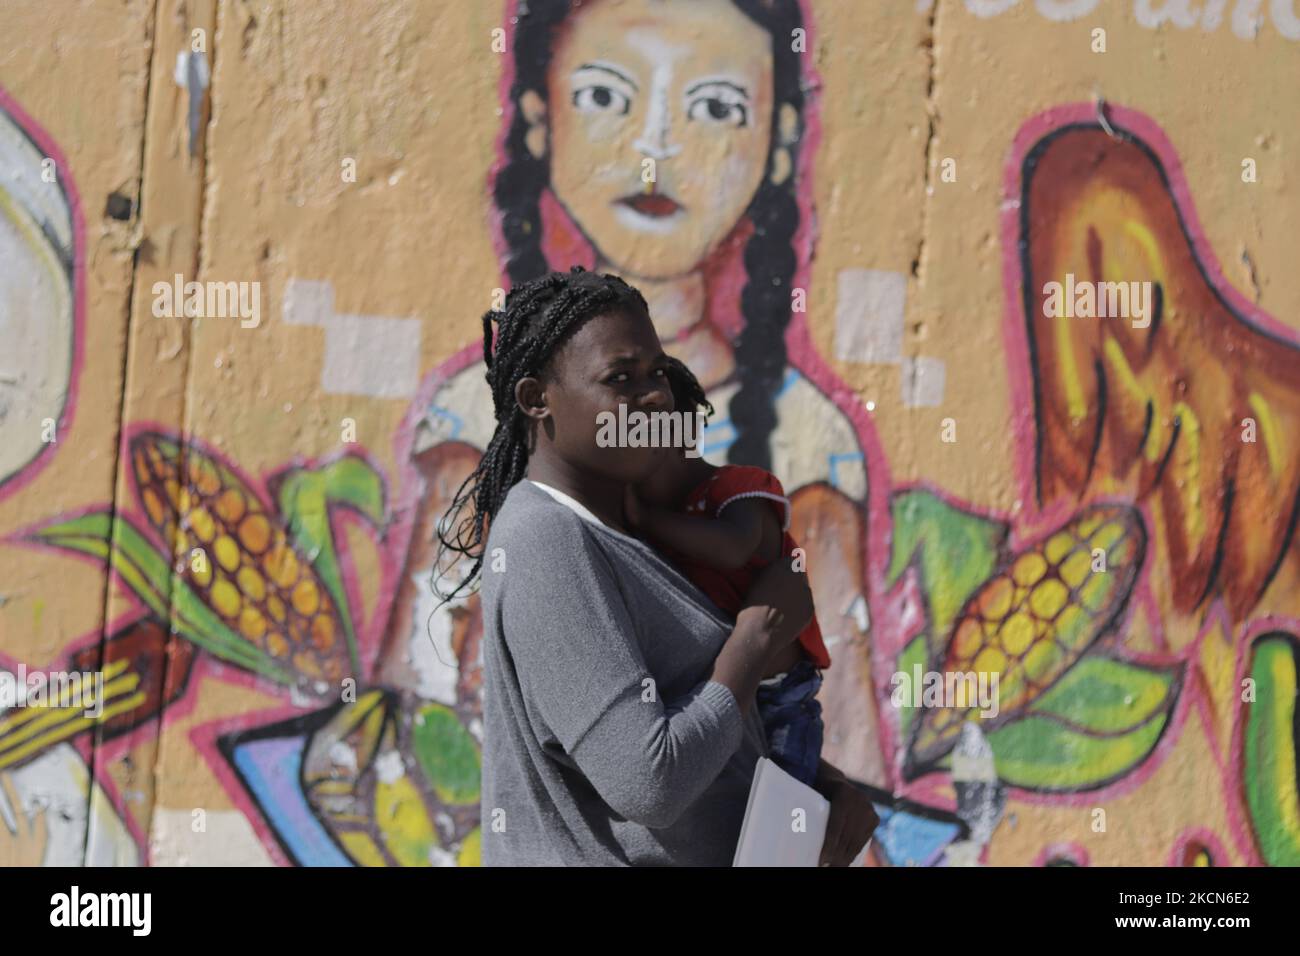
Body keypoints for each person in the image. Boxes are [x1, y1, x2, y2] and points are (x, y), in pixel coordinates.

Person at [434, 266, 877, 865]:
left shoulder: (624, 529)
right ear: (537, 399)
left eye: (657, 374)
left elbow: (694, 719)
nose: (653, 398)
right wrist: (755, 639)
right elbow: (650, 780)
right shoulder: (546, 540)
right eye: (621, 378)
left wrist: (824, 785)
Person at [625, 357, 829, 789]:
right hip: (726, 694)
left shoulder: (734, 488)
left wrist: (646, 520)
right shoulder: (670, 516)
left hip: (780, 693)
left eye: (642, 468)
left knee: (782, 804)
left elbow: (735, 548)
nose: (635, 485)